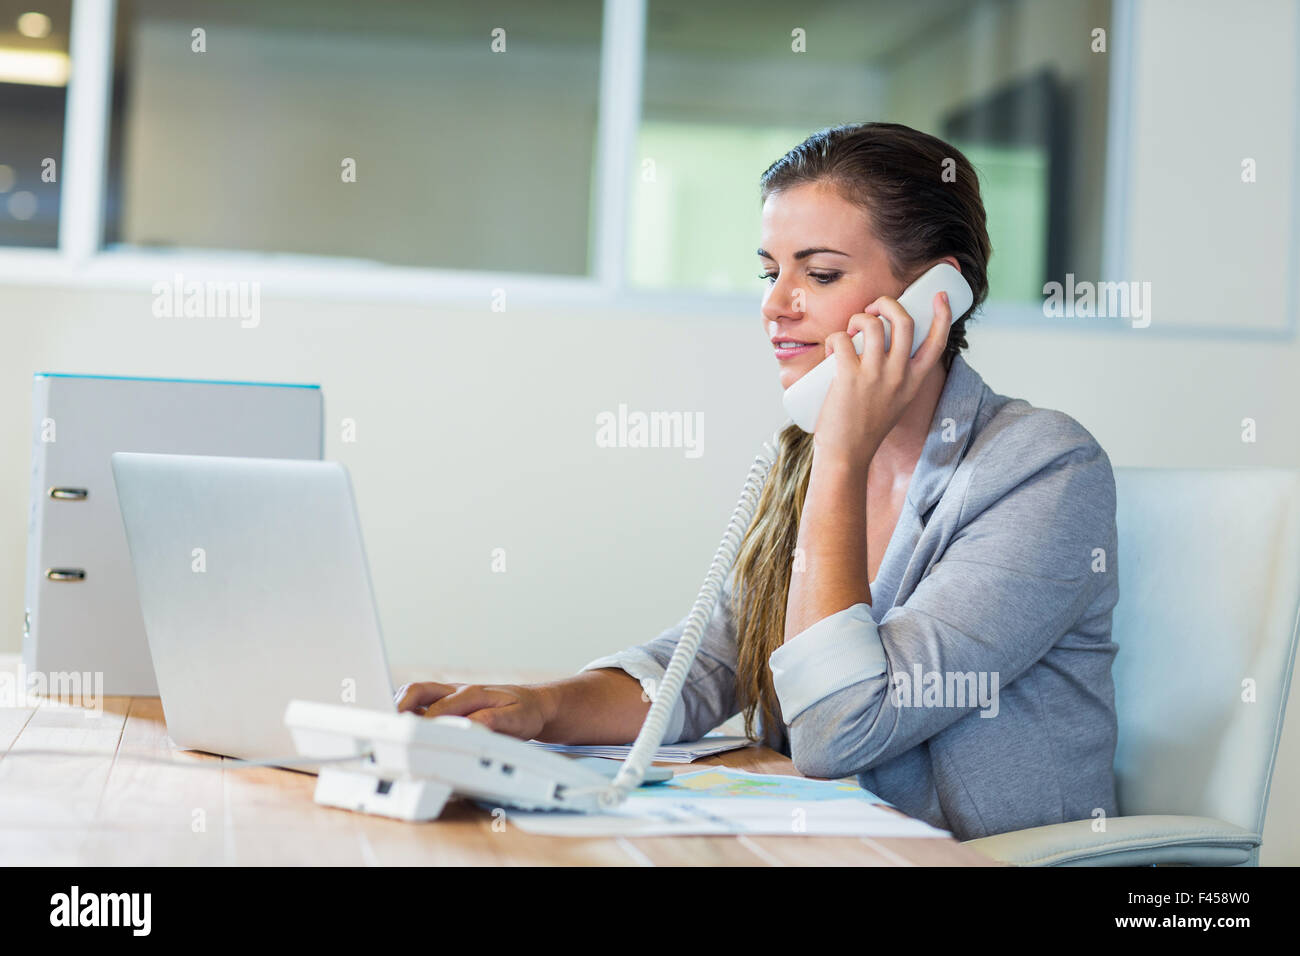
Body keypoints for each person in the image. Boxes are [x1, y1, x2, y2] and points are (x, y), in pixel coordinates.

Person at [396, 122, 1120, 842]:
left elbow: (840, 729)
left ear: (938, 295)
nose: (777, 304)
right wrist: (536, 709)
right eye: (771, 272)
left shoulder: (1043, 467)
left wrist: (840, 455)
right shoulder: (805, 458)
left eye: (821, 273)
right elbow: (710, 664)